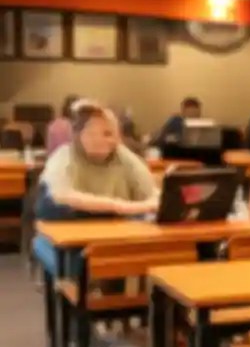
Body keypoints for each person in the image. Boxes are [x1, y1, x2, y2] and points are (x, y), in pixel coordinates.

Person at [32, 103, 159, 278]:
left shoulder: (124, 156)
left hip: (110, 233)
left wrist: (154, 203)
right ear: (78, 135)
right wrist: (123, 207)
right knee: (85, 267)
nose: (108, 140)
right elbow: (63, 196)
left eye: (111, 134)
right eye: (98, 133)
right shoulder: (64, 156)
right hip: (71, 235)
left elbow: (151, 194)